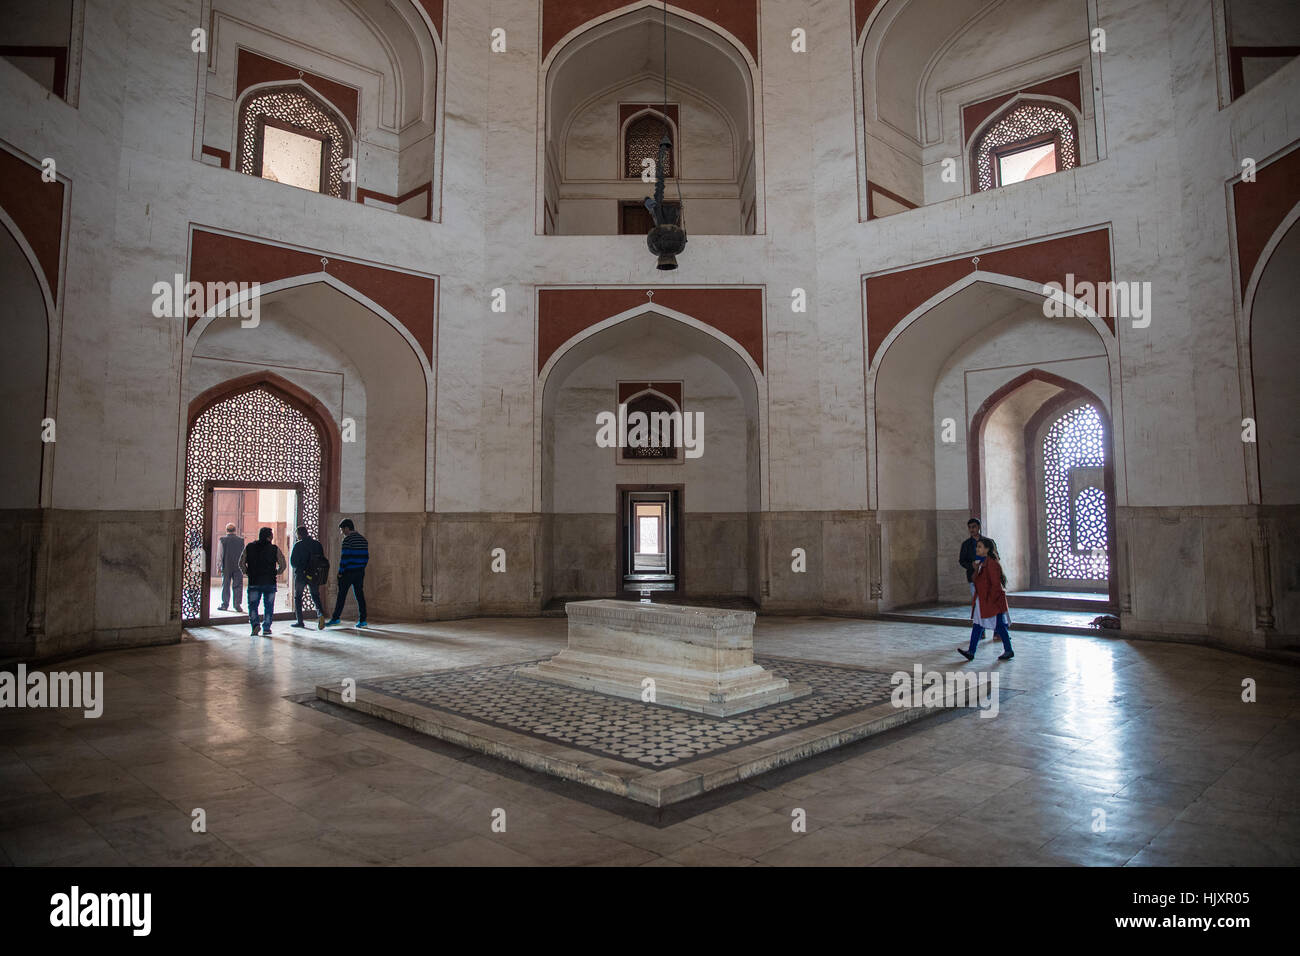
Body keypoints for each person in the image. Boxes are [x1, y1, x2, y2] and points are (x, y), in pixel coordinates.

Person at [958, 537, 1014, 661]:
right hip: (982, 600)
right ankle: (971, 652)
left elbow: (995, 585)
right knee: (977, 625)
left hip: (992, 601)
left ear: (987, 549)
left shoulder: (992, 564)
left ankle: (1008, 650)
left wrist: (990, 601)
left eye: (980, 547)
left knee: (999, 626)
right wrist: (975, 569)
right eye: (977, 547)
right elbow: (976, 580)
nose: (977, 549)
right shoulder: (981, 563)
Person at [239, 526, 286, 637]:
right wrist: (276, 572)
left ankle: (255, 625)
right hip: (270, 582)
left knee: (253, 605)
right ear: (269, 537)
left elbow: (241, 562)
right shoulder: (274, 549)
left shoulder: (250, 547)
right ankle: (266, 628)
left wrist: (247, 572)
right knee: (269, 606)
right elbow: (283, 564)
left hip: (254, 581)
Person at [324, 518, 368, 628]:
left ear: (347, 528)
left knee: (341, 596)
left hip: (348, 572)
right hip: (360, 572)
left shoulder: (347, 540)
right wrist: (361, 567)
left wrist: (340, 572)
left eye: (342, 530)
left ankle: (335, 618)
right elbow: (366, 557)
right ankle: (363, 620)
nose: (342, 532)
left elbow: (345, 558)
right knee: (360, 595)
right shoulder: (363, 539)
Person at [290, 525, 326, 629]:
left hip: (301, 575)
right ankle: (321, 615)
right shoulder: (317, 544)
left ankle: (300, 621)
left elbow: (293, 562)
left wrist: (301, 567)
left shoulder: (298, 545)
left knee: (298, 597)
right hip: (313, 575)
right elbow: (322, 560)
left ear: (299, 535)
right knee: (315, 596)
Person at [216, 522, 245, 611]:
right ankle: (237, 605)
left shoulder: (222, 540)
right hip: (238, 567)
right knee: (238, 586)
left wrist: (218, 566)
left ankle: (225, 604)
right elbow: (244, 555)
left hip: (226, 566)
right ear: (235, 530)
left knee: (225, 586)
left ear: (226, 530)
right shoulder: (241, 540)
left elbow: (220, 554)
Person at [958, 518, 984, 596]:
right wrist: (972, 565)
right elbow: (962, 561)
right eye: (969, 527)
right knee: (976, 600)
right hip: (973, 575)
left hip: (987, 574)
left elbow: (995, 557)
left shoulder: (988, 542)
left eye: (974, 527)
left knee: (987, 600)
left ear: (979, 527)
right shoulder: (965, 544)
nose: (971, 529)